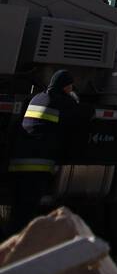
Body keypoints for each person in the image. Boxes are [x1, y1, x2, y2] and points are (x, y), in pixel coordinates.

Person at [7, 71, 89, 231]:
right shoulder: (61, 101)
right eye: (71, 86)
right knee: (28, 210)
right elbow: (84, 113)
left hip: (18, 163)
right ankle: (22, 247)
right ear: (66, 86)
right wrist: (77, 101)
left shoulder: (37, 98)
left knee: (18, 209)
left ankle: (10, 242)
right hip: (37, 166)